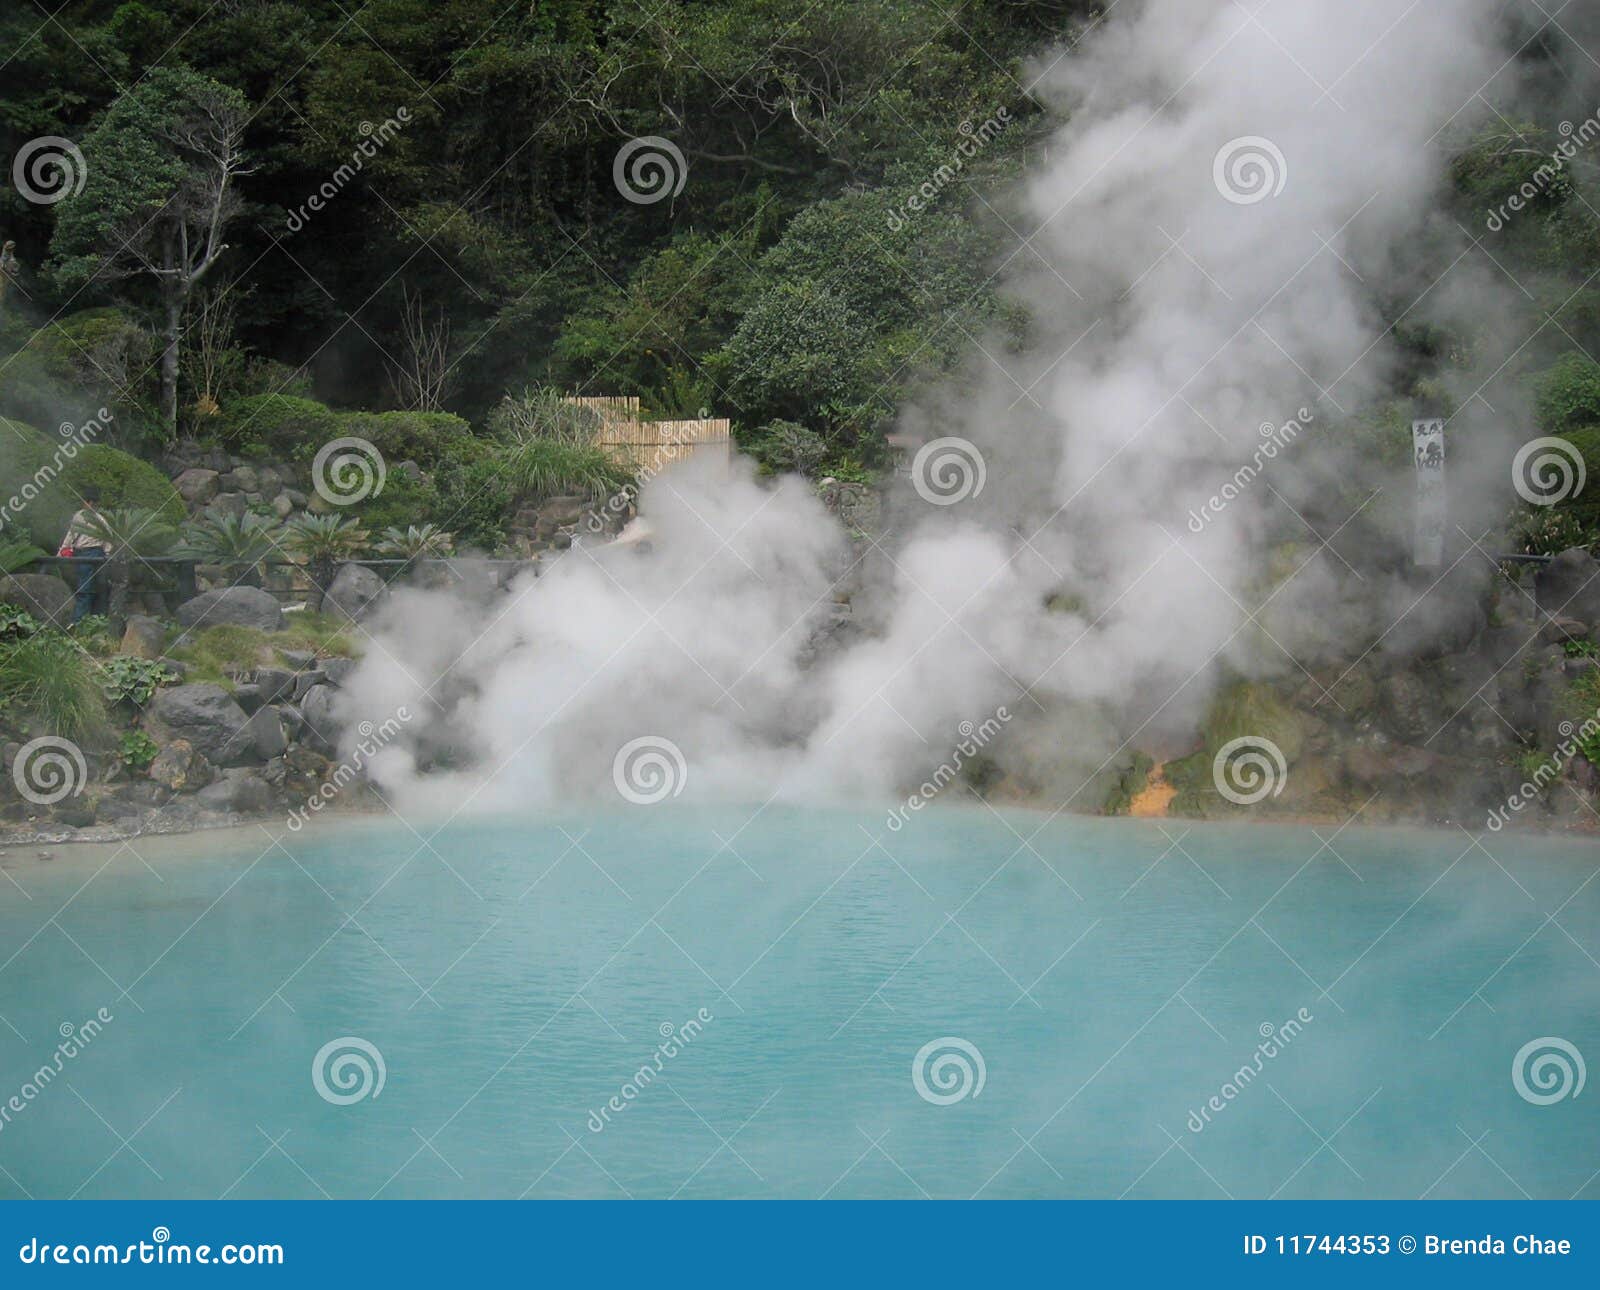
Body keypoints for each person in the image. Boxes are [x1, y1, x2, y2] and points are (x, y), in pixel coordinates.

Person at [60, 488, 111, 624]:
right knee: (84, 586)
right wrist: (64, 550)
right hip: (80, 553)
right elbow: (71, 533)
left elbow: (108, 538)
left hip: (94, 552)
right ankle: (83, 619)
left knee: (89, 587)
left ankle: (81, 620)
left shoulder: (100, 519)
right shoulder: (78, 516)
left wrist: (107, 554)